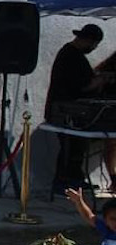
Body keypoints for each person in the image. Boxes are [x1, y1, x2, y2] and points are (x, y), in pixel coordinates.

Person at [45, 24, 114, 190]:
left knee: (76, 148)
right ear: (88, 41)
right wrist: (99, 81)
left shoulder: (72, 54)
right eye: (94, 45)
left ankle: (74, 180)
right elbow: (81, 86)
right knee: (71, 148)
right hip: (65, 111)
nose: (93, 48)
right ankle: (64, 182)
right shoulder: (71, 56)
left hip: (69, 111)